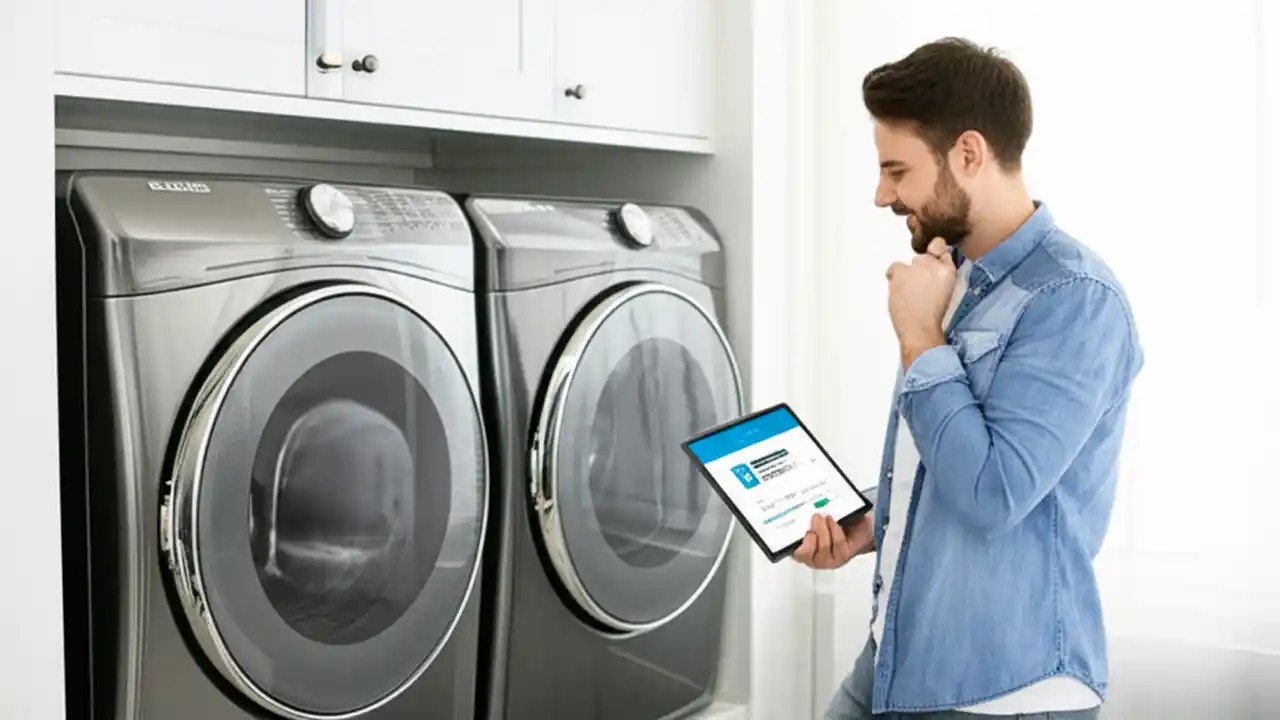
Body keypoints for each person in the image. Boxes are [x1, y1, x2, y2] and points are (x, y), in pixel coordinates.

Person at [792, 37, 1144, 719]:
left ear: (970, 154)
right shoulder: (950, 274)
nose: (880, 195)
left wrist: (919, 339)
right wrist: (872, 520)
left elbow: (995, 493)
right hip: (898, 657)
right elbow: (949, 459)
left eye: (897, 170)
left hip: (1003, 690)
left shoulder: (1075, 301)